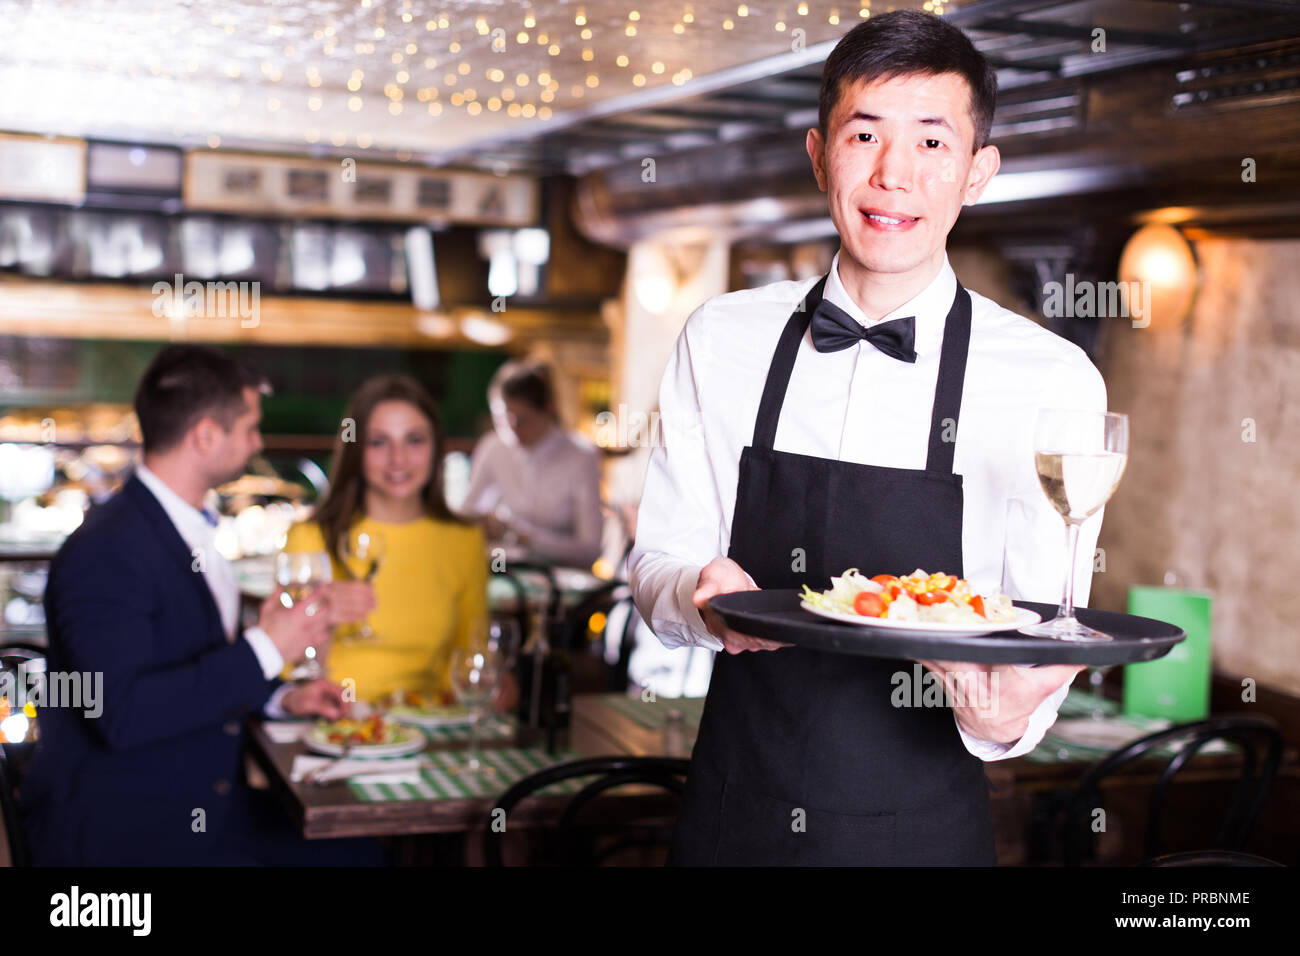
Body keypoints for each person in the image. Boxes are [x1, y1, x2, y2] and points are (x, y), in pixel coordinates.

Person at [629, 10, 1107, 866]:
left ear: (977, 172)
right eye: (865, 135)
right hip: (733, 814)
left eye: (931, 142)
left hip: (922, 834)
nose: (894, 176)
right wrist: (695, 598)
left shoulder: (1052, 378)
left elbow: (1046, 626)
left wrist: (1008, 724)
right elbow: (655, 566)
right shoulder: (720, 337)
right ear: (820, 155)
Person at [21, 344, 380, 865]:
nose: (259, 442)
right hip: (122, 835)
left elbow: (194, 667)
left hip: (196, 807)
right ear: (206, 435)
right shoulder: (106, 550)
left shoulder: (187, 528)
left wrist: (281, 698)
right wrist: (265, 647)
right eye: (251, 428)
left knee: (360, 847)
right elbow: (119, 715)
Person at [283, 374, 508, 708]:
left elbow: (468, 656)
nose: (398, 459)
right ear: (356, 450)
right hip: (337, 721)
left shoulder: (464, 540)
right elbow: (289, 676)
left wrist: (496, 685)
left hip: (431, 724)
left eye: (414, 440)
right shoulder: (310, 537)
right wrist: (323, 619)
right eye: (378, 442)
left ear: (436, 448)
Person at [461, 358, 603, 568]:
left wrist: (526, 537)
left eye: (522, 420)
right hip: (506, 569)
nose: (512, 431)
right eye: (502, 420)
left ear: (548, 409)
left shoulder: (581, 456)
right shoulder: (493, 447)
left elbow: (591, 550)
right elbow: (467, 514)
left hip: (565, 578)